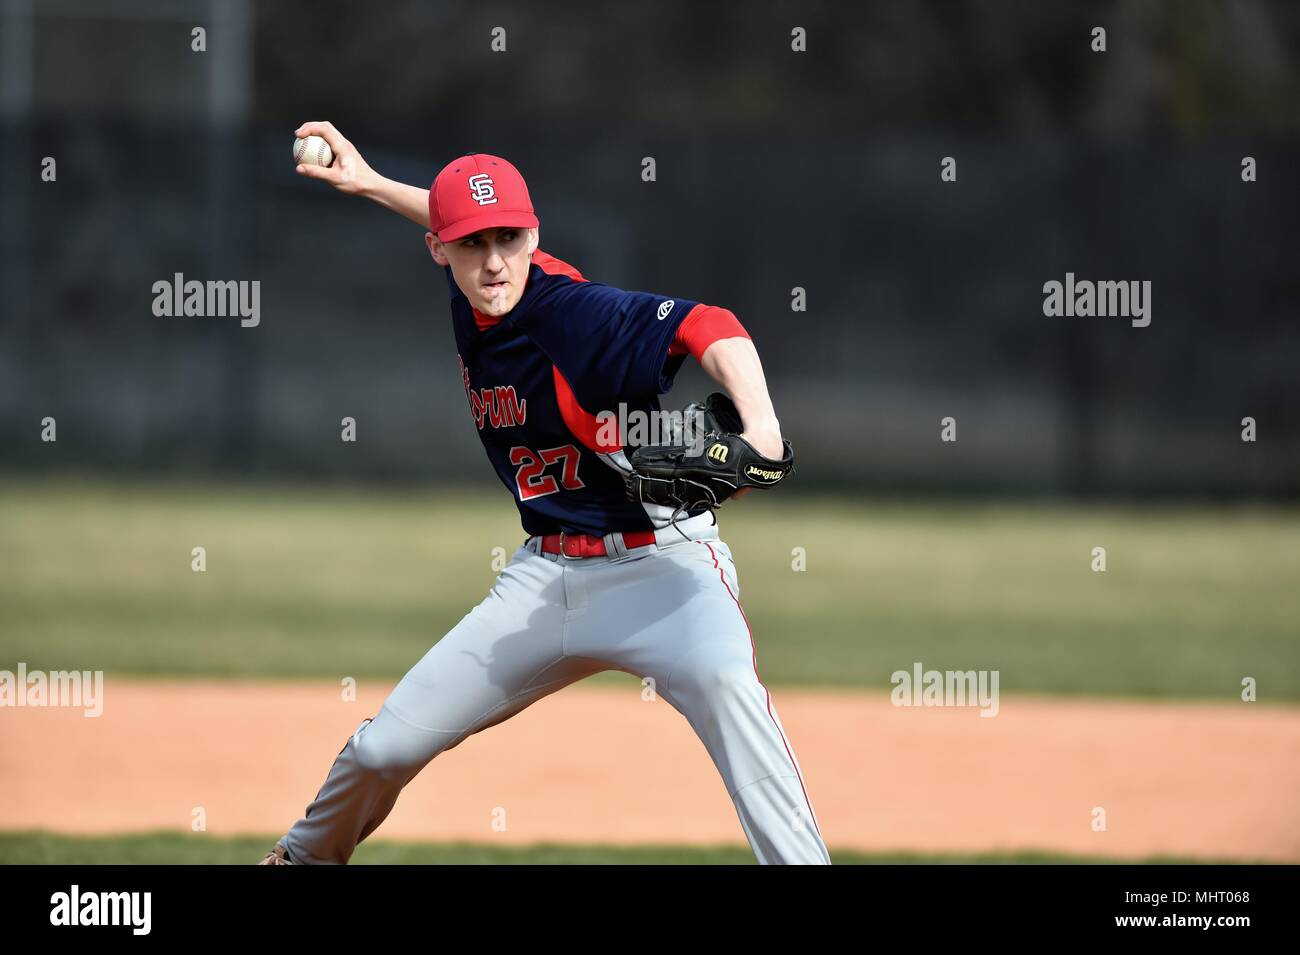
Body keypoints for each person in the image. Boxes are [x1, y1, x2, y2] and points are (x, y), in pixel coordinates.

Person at [260, 122, 830, 865]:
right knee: (381, 749)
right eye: (471, 243)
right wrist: (368, 184)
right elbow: (445, 211)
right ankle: (302, 858)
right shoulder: (472, 279)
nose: (493, 261)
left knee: (733, 697)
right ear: (440, 249)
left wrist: (764, 428)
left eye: (508, 239)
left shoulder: (575, 313)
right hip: (546, 575)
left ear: (533, 237)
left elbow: (710, 326)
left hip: (664, 569)